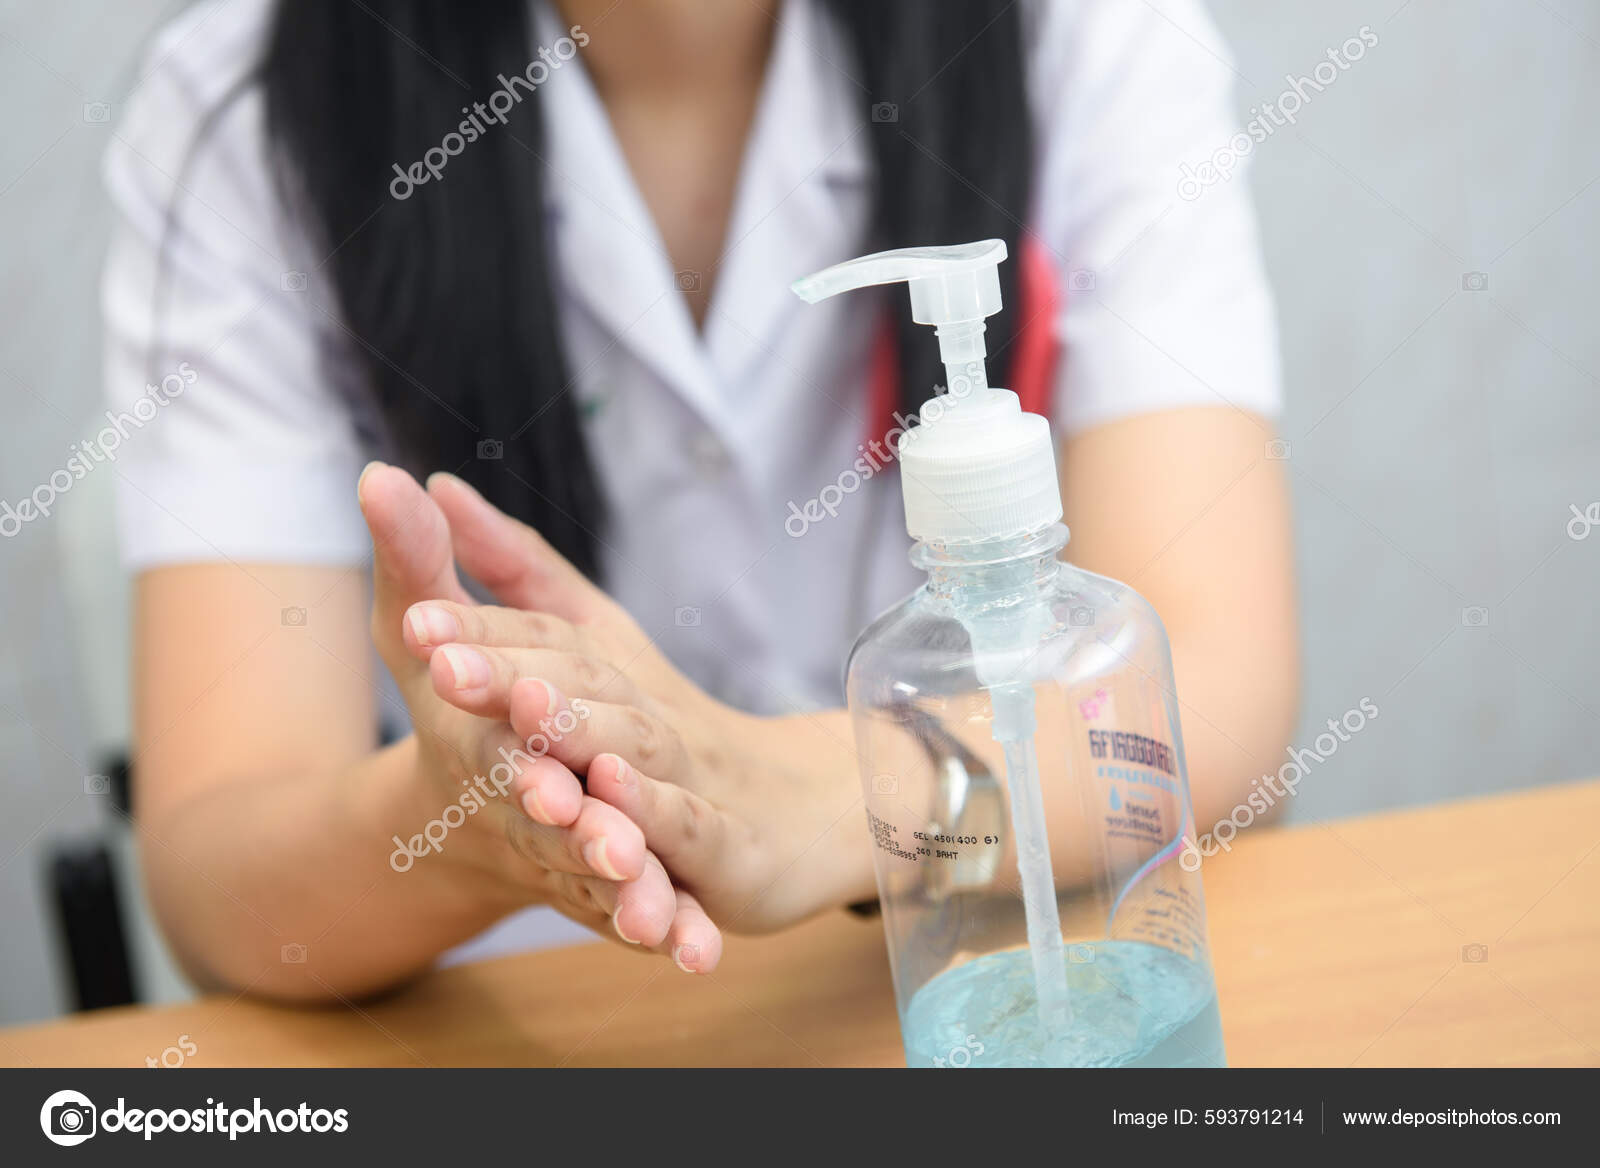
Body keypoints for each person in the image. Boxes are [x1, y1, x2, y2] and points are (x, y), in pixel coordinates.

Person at [104, 0, 1298, 1000]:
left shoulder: (1076, 32)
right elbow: (219, 872)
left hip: (986, 972)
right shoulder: (256, 102)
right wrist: (467, 818)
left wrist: (837, 795)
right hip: (549, 1027)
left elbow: (1210, 677)